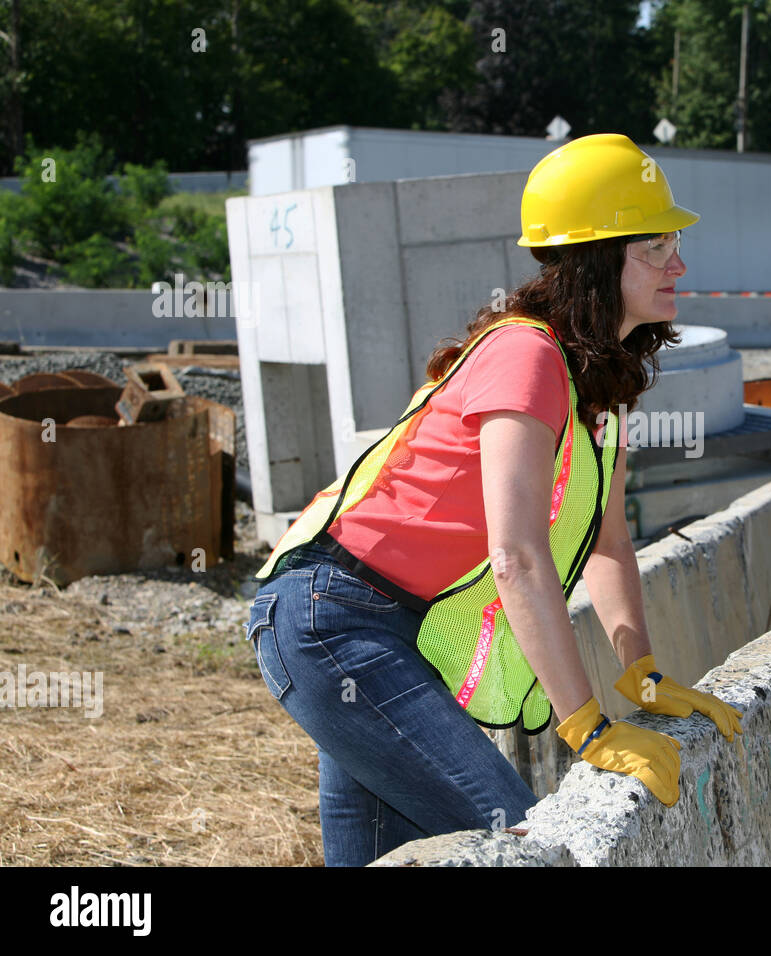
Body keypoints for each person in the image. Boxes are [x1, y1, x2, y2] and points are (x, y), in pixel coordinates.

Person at [243, 133, 743, 867]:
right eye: (657, 244)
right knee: (518, 844)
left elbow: (607, 542)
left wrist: (642, 668)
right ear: (597, 261)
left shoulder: (600, 387)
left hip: (387, 641)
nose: (680, 263)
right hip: (333, 622)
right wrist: (590, 729)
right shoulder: (528, 356)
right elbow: (515, 556)